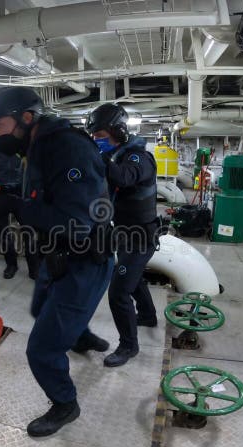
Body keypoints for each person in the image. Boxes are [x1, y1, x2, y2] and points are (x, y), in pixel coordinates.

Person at [0, 87, 114, 437]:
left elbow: (77, 223)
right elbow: (46, 198)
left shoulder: (64, 147)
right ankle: (81, 337)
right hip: (57, 257)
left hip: (84, 260)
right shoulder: (38, 146)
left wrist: (16, 207)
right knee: (40, 307)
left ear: (27, 118)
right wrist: (13, 199)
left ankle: (65, 404)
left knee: (41, 349)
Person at [86, 103, 159, 368]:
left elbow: (124, 178)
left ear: (118, 132)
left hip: (141, 238)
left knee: (118, 291)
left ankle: (129, 346)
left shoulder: (138, 158)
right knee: (132, 277)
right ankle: (148, 315)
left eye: (101, 136)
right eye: (94, 137)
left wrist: (98, 157)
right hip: (126, 234)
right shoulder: (116, 156)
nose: (97, 141)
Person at [0, 141, 40, 279]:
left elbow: (33, 170)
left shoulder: (25, 146)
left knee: (29, 231)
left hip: (21, 194)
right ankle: (11, 265)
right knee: (3, 231)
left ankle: (34, 267)